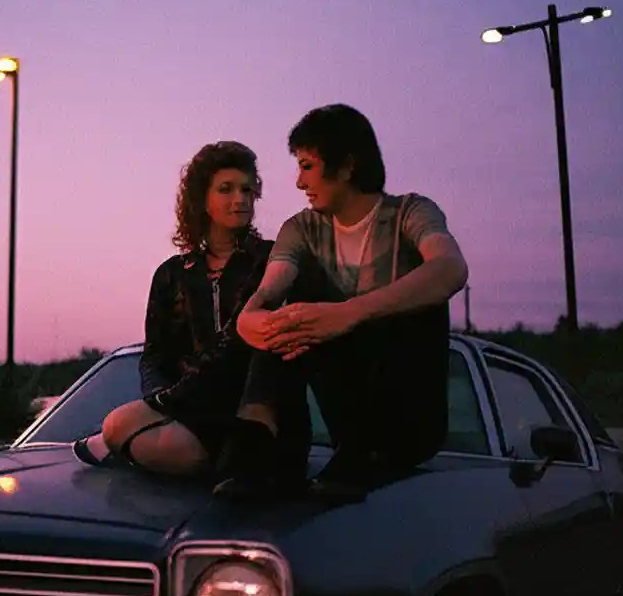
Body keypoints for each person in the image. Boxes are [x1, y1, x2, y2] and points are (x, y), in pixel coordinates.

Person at [214, 104, 469, 495]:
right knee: (292, 307)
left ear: (347, 166)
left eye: (307, 166)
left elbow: (451, 268)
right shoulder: (302, 228)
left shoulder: (410, 212)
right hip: (346, 411)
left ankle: (369, 452)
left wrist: (348, 314)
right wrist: (252, 317)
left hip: (408, 420)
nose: (299, 182)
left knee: (418, 287)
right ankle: (262, 444)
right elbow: (271, 289)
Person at [72, 141, 276, 476]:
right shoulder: (171, 274)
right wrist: (160, 399)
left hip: (247, 407)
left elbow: (238, 350)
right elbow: (154, 355)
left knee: (119, 427)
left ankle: (126, 446)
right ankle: (140, 444)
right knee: (120, 426)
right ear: (201, 199)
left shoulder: (270, 259)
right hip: (188, 417)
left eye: (247, 190)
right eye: (226, 189)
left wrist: (164, 405)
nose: (240, 199)